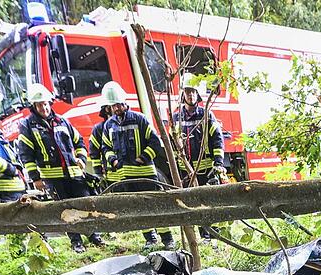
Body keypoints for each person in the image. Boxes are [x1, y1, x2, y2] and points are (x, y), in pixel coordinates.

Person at [15, 83, 103, 252]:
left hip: (74, 173)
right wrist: (36, 178)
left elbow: (78, 142)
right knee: (64, 210)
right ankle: (76, 241)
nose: (44, 107)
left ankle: (93, 235)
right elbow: (26, 154)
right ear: (33, 106)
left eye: (46, 103)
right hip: (53, 177)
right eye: (40, 104)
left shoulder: (62, 120)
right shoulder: (27, 126)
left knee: (84, 203)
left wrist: (82, 158)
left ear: (50, 103)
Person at [101, 82, 174, 249]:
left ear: (125, 103)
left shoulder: (140, 119)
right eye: (113, 106)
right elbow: (106, 147)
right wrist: (113, 161)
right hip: (125, 175)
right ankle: (150, 238)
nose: (117, 108)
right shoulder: (109, 125)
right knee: (137, 209)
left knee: (155, 206)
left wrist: (142, 158)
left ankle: (167, 238)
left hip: (146, 173)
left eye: (119, 104)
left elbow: (155, 143)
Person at [172, 76, 226, 186]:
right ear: (183, 95)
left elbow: (217, 139)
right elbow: (172, 142)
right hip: (185, 171)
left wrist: (218, 163)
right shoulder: (176, 118)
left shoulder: (206, 115)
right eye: (187, 92)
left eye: (193, 91)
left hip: (206, 171)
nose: (191, 95)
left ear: (197, 94)